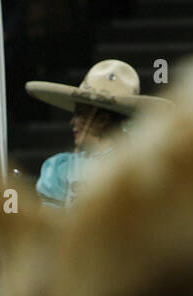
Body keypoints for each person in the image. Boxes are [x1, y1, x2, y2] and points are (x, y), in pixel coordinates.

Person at [25, 59, 171, 208]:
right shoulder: (62, 168)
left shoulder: (139, 167)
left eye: (80, 115)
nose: (72, 122)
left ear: (102, 120)